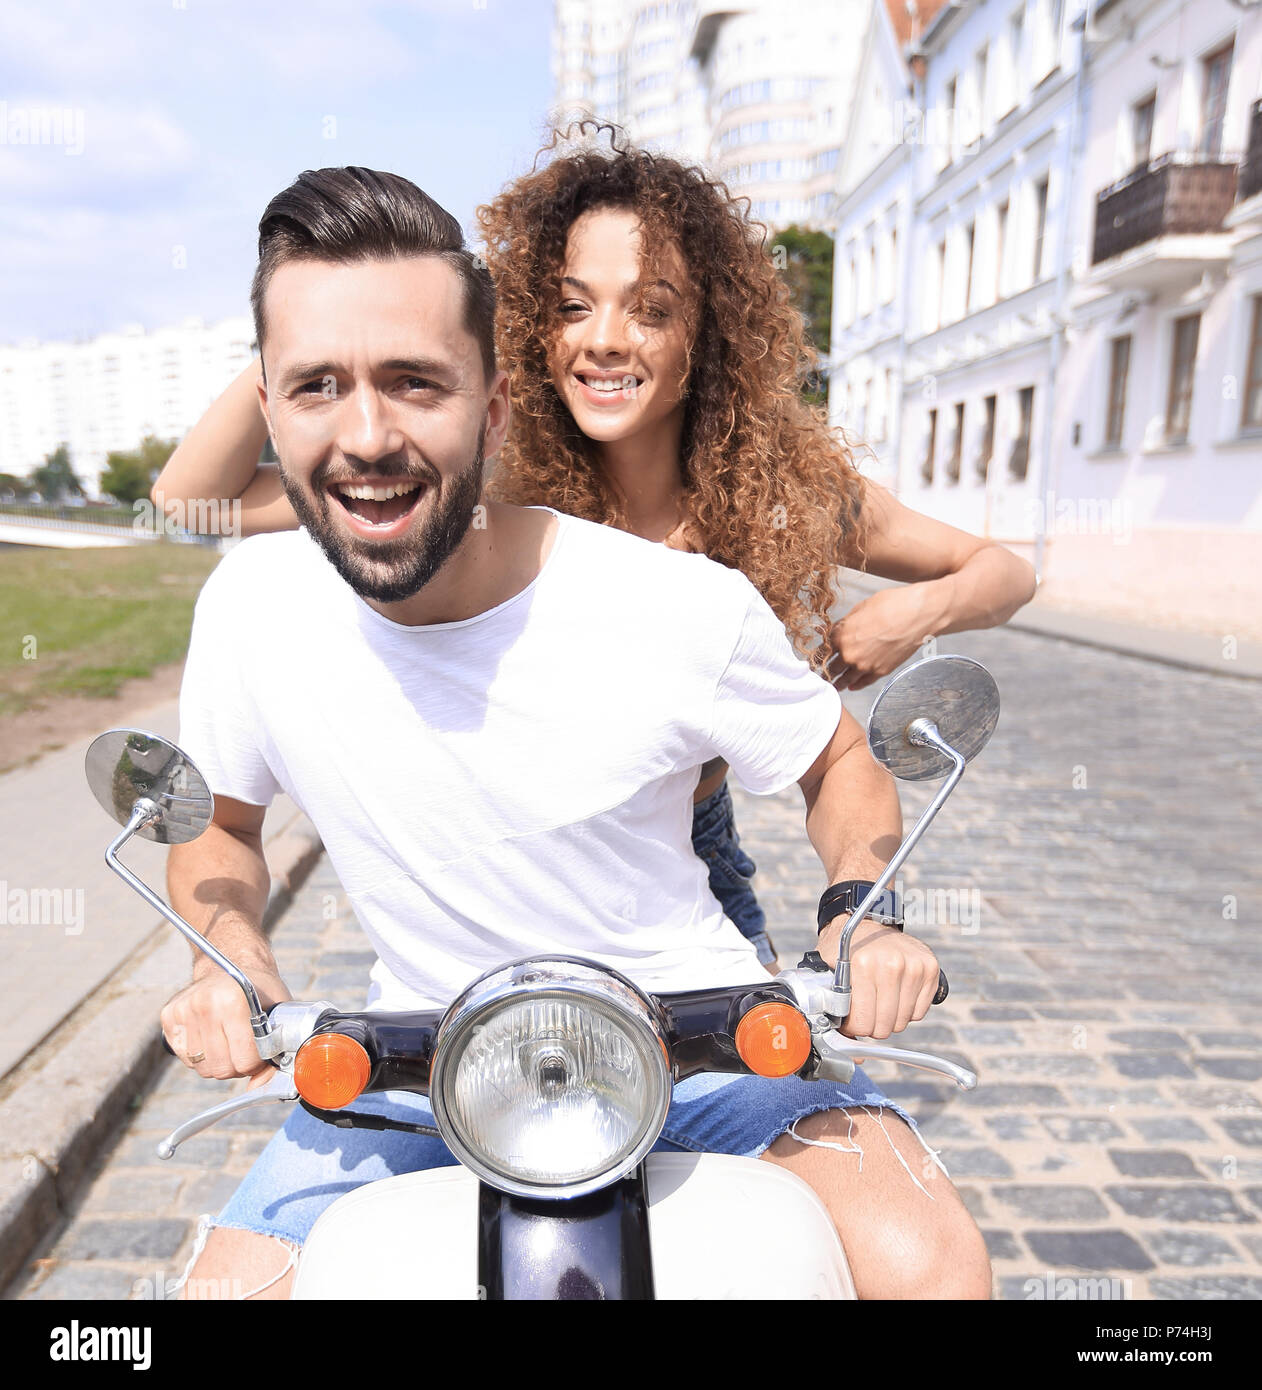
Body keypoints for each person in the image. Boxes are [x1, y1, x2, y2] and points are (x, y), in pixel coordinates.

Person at [162, 166, 991, 1300]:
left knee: (931, 1269)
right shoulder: (249, 609)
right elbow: (216, 826)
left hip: (695, 1049)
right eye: (317, 385)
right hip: (411, 1069)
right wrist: (233, 965)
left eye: (413, 381)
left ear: (493, 405)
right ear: (271, 408)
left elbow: (839, 758)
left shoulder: (675, 602)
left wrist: (860, 914)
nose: (367, 435)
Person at [152, 126, 1035, 968]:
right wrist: (323, 329)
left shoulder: (783, 489)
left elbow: (1007, 571)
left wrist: (917, 611)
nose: (605, 338)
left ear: (708, 328)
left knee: (780, 1066)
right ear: (536, 322)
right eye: (573, 306)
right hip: (526, 861)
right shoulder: (491, 479)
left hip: (692, 861)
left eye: (650, 310)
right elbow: (193, 502)